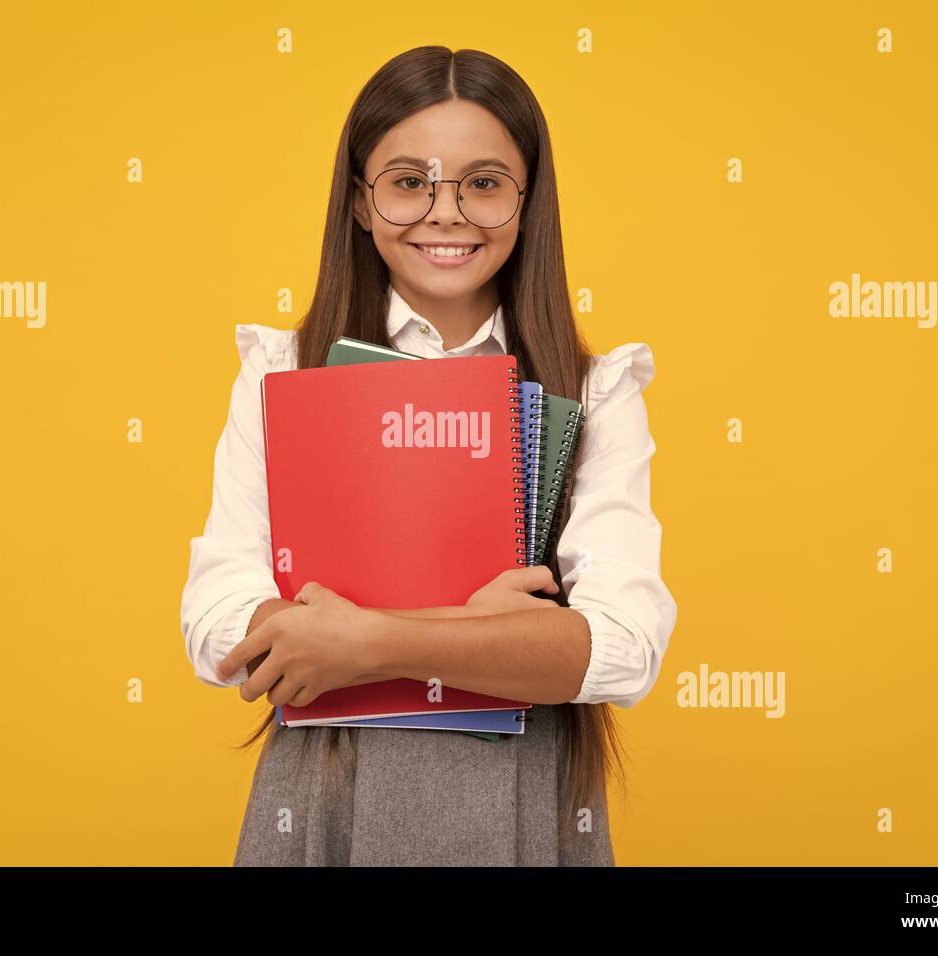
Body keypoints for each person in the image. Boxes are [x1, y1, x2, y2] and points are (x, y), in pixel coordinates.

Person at [179, 45, 677, 866]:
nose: (446, 213)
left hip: (524, 799)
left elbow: (621, 648)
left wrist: (366, 641)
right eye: (409, 181)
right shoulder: (280, 371)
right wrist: (482, 632)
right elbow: (220, 622)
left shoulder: (596, 390)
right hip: (328, 794)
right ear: (361, 204)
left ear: (527, 202)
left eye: (483, 183)